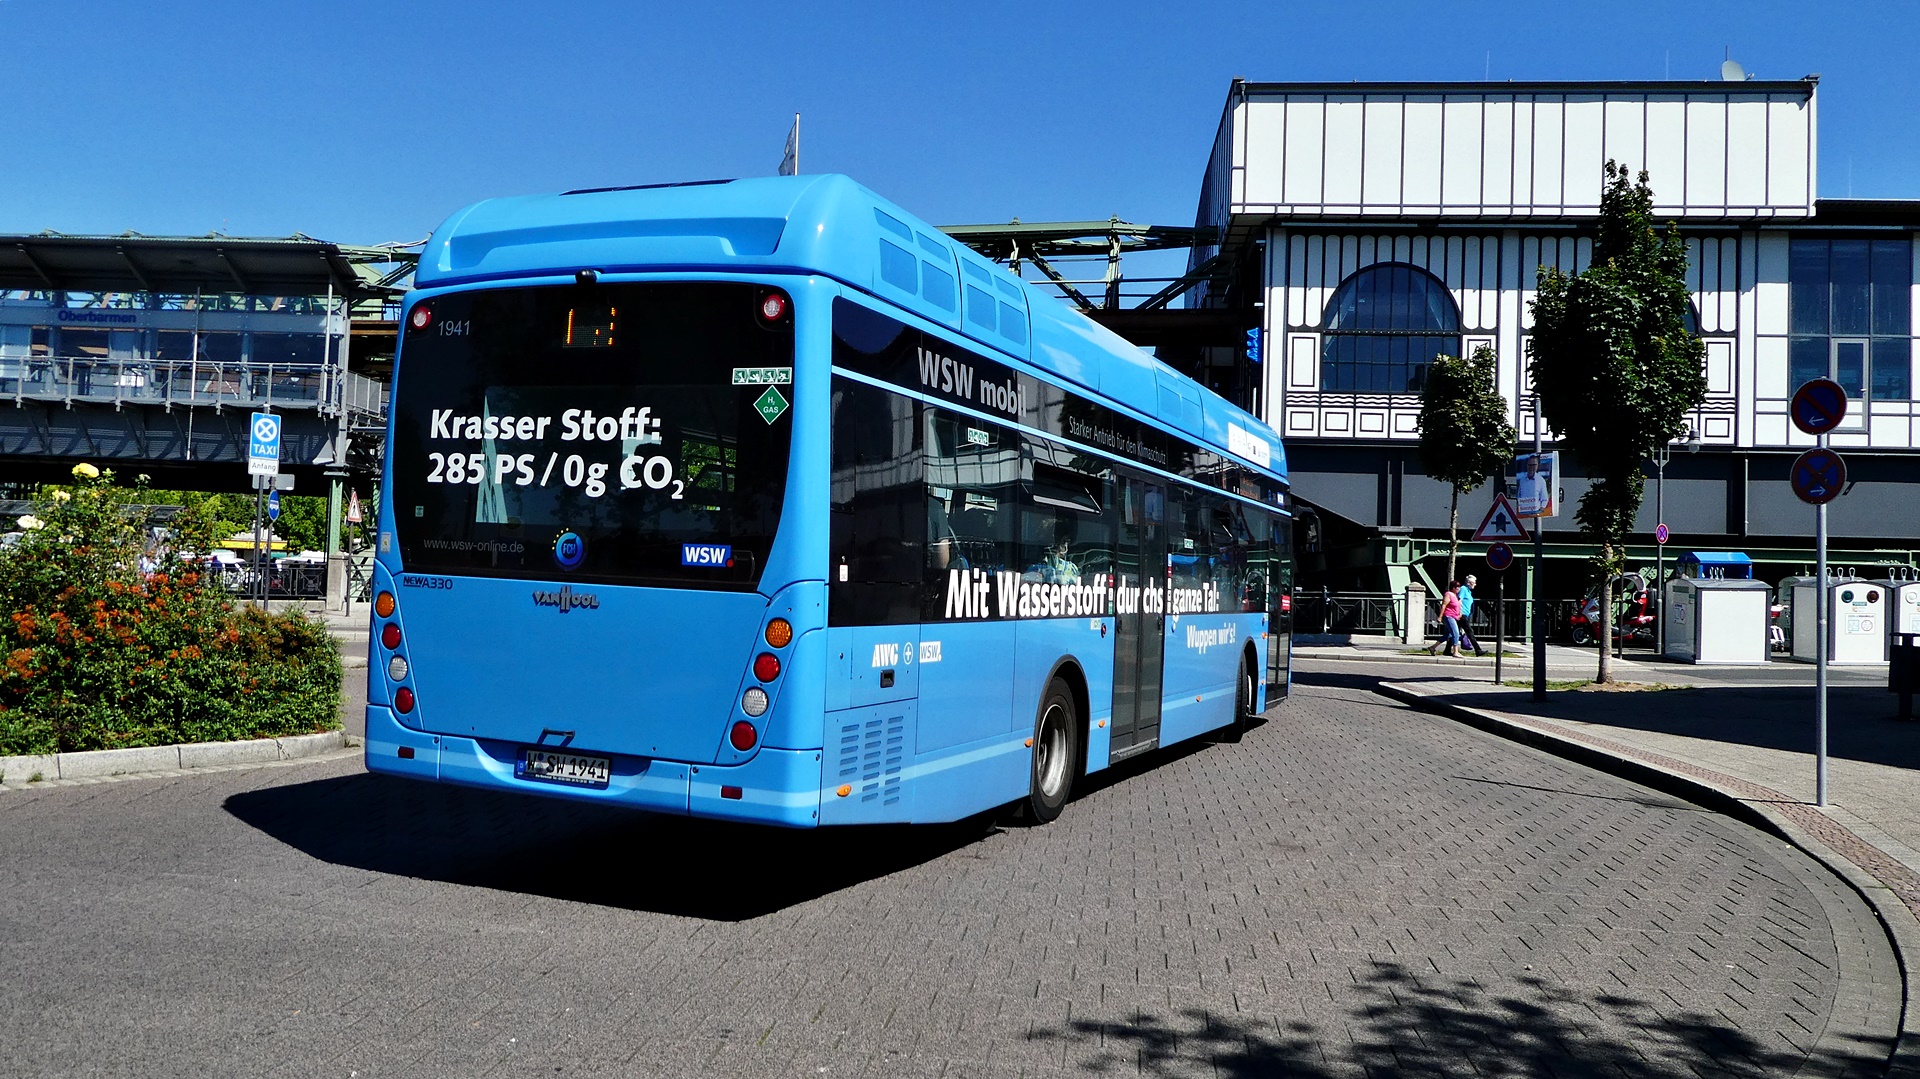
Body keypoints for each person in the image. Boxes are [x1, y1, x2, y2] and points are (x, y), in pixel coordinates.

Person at [1427, 581, 1462, 656]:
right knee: (1456, 633)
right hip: (1448, 616)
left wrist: (1459, 614)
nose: (1459, 589)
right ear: (1453, 588)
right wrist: (1440, 616)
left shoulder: (1456, 596)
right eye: (1457, 587)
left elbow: (1458, 606)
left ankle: (1433, 647)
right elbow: (1444, 605)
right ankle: (1455, 651)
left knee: (1447, 635)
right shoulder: (1448, 594)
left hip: (1454, 616)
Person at [1457, 574, 1486, 656]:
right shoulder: (1463, 589)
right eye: (1474, 583)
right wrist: (1459, 612)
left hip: (1464, 614)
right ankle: (1478, 650)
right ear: (1469, 583)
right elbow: (1459, 600)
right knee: (1470, 631)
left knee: (1452, 633)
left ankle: (1446, 649)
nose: (1475, 585)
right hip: (1461, 615)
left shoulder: (1468, 591)